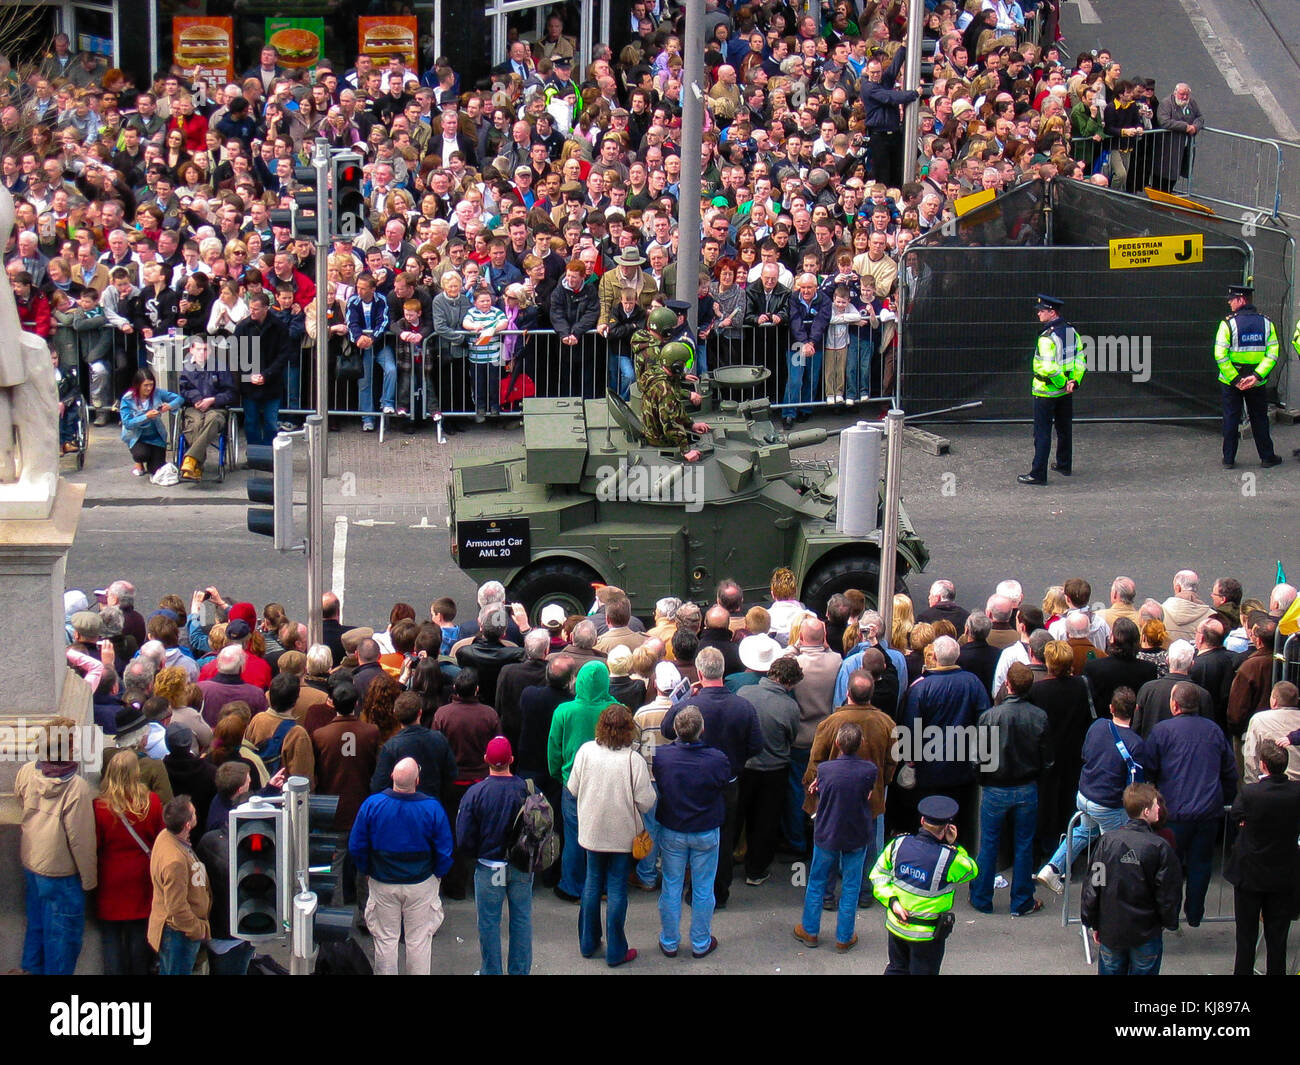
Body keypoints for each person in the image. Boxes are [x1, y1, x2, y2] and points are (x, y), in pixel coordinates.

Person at [566, 704, 656, 967]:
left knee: (592, 884)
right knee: (617, 888)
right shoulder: (633, 760)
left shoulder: (585, 752)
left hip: (592, 832)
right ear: (629, 729)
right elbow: (647, 802)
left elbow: (572, 788)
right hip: (623, 835)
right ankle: (616, 951)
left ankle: (588, 942)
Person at [348, 756, 455, 975]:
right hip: (421, 883)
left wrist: (367, 870)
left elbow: (357, 845)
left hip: (383, 882)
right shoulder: (432, 808)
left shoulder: (372, 805)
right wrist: (437, 874)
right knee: (419, 941)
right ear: (418, 780)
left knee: (385, 940)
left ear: (391, 777)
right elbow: (445, 848)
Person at [1036, 687, 1147, 894]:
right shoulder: (1136, 743)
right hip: (1108, 804)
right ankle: (1103, 891)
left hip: (1085, 795)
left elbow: (1086, 754)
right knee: (1113, 848)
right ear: (1137, 710)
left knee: (1085, 831)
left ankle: (1052, 868)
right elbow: (1135, 785)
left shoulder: (1097, 726)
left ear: (1111, 708)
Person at [1145, 682, 1237, 927]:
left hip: (1173, 812)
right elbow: (1229, 771)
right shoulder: (1214, 730)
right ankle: (1195, 912)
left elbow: (1150, 769)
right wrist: (1225, 800)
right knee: (1201, 865)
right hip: (1207, 811)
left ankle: (1170, 915)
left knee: (1170, 867)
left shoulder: (1162, 731)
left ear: (1174, 705)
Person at [15, 717, 98, 975]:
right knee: (62, 943)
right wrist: (89, 881)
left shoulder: (28, 772)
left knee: (36, 931)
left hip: (32, 863)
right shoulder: (77, 788)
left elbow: (20, 796)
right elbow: (81, 840)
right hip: (62, 874)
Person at [969, 663, 1052, 916]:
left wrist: (984, 779)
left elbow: (977, 757)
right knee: (1024, 845)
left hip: (995, 788)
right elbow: (1047, 760)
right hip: (1026, 787)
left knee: (988, 844)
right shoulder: (1039, 716)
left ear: (1008, 684)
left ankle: (982, 898)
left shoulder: (990, 716)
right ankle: (1022, 900)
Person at [653, 705, 732, 958]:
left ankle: (669, 941)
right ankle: (700, 942)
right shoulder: (717, 759)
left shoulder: (662, 757)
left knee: (672, 885)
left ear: (675, 730)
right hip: (706, 830)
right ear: (702, 729)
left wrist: (679, 702)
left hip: (673, 828)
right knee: (703, 888)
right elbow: (725, 783)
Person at [1080, 782, 1182, 975]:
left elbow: (1095, 885)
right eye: (1154, 804)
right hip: (1146, 932)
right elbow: (1168, 893)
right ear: (1145, 811)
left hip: (1112, 930)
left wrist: (1093, 921)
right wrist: (1168, 922)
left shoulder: (1107, 842)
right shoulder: (1160, 847)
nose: (1159, 807)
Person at [869, 795, 977, 975]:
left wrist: (892, 901)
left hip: (897, 926)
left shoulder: (898, 844)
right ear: (947, 828)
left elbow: (877, 875)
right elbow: (971, 870)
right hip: (927, 935)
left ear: (922, 821)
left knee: (897, 969)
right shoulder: (950, 859)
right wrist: (955, 844)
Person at [795, 722, 879, 952]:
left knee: (817, 881)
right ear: (861, 743)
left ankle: (810, 931)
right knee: (851, 885)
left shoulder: (825, 770)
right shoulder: (869, 770)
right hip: (856, 832)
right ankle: (844, 936)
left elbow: (821, 788)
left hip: (828, 831)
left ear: (837, 744)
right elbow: (868, 793)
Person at [456, 736, 534, 975]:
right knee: (521, 919)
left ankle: (491, 970)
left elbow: (464, 838)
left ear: (486, 760)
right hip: (521, 865)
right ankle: (519, 971)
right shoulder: (526, 789)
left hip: (489, 866)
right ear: (511, 759)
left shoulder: (476, 792)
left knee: (489, 923)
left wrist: (475, 855)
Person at [1226, 739, 1300, 975]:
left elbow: (1237, 816)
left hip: (1250, 873)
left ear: (1263, 765)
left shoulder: (1250, 792)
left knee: (1246, 936)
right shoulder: (1296, 793)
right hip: (1283, 873)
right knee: (1278, 937)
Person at [546, 659, 615, 901]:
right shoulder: (617, 710)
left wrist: (559, 775)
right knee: (604, 835)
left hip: (573, 783)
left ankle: (572, 886)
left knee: (574, 835)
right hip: (608, 783)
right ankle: (603, 886)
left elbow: (554, 750)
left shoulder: (564, 711)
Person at [93, 753, 164, 975]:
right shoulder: (150, 801)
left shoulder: (100, 806)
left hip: (110, 876)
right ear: (136, 772)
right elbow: (160, 838)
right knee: (138, 935)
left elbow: (95, 843)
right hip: (141, 876)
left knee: (111, 937)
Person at [1019, 294, 1084, 485]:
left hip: (1045, 392)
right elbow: (1080, 360)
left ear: (1052, 312)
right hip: (1066, 392)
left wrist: (1062, 382)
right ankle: (1064, 465)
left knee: (1042, 433)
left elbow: (1048, 368)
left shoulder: (1047, 338)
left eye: (1041, 310)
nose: (1038, 313)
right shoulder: (1072, 331)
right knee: (1064, 429)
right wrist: (1073, 381)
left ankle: (1037, 474)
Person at [1214, 284, 1281, 469]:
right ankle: (1267, 457)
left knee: (1231, 418)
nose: (1229, 302)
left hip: (1230, 381)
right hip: (1257, 381)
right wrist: (1257, 376)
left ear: (1241, 299)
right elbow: (1273, 353)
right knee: (1259, 418)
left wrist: (1235, 379)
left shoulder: (1227, 324)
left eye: (1232, 299)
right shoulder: (1267, 322)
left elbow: (1220, 355)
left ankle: (1228, 459)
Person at [147, 795, 211, 975]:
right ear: (187, 825)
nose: (196, 813)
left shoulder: (165, 836)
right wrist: (198, 929)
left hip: (176, 932)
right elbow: (177, 906)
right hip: (178, 934)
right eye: (194, 813)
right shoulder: (174, 861)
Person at [119, 367, 180, 477]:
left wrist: (169, 406)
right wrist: (146, 416)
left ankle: (153, 459)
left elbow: (179, 399)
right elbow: (127, 423)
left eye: (151, 385)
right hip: (137, 436)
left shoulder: (157, 393)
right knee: (142, 455)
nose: (149, 388)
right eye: (146, 385)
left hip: (156, 436)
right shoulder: (127, 399)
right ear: (138, 385)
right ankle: (139, 462)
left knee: (156, 470)